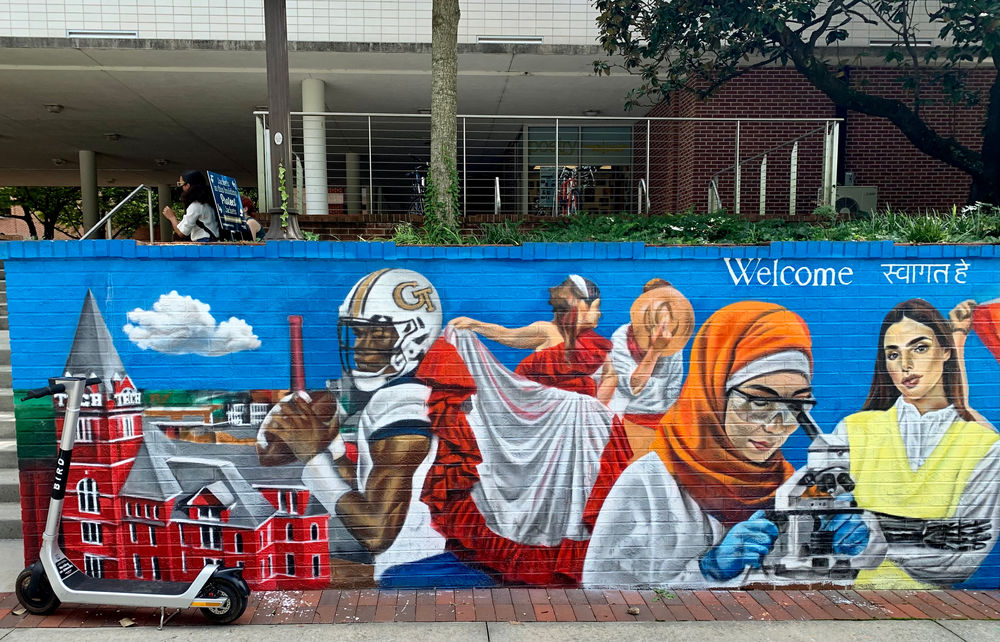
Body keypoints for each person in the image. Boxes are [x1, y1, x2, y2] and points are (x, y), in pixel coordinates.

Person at [582, 301, 874, 587]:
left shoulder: (791, 488)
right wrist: (707, 569)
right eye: (759, 403)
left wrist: (845, 548)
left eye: (796, 408)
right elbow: (603, 594)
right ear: (713, 393)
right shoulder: (649, 486)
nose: (775, 427)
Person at [257, 268, 493, 588]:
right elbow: (370, 486)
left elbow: (375, 532)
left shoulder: (404, 406)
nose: (362, 346)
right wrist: (334, 448)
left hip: (422, 570)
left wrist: (314, 456)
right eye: (359, 333)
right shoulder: (421, 389)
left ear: (414, 336)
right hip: (435, 562)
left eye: (378, 333)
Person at [833, 298, 999, 589]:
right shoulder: (851, 431)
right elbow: (817, 529)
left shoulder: (986, 447)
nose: (905, 365)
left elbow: (957, 562)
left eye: (920, 348)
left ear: (945, 351)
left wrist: (866, 529)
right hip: (842, 606)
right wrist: (926, 532)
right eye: (893, 354)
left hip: (936, 611)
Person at [449, 274, 614, 400]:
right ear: (581, 306)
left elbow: (611, 375)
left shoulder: (593, 343)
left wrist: (598, 408)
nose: (599, 313)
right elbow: (508, 336)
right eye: (596, 307)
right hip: (545, 419)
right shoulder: (547, 330)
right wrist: (474, 324)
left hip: (580, 422)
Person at [602, 278, 694, 458]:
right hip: (628, 417)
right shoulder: (622, 337)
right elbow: (633, 387)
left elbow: (672, 391)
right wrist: (655, 350)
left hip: (660, 420)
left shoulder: (673, 342)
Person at [161, 170, 220, 242]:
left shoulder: (196, 206)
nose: (181, 188)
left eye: (181, 184)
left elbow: (181, 233)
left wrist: (172, 217)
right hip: (212, 240)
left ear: (187, 186)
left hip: (203, 241)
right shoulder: (208, 203)